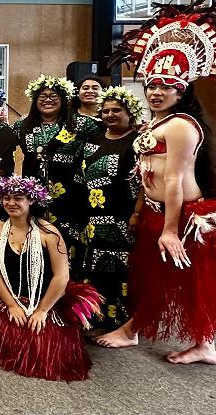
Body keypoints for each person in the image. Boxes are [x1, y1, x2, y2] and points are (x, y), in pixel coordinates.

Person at [95, 2, 216, 363]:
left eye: (167, 87)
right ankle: (141, 330)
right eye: (152, 85)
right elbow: (148, 178)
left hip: (185, 218)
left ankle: (201, 344)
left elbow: (173, 179)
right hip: (159, 212)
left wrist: (171, 230)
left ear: (182, 91)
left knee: (190, 282)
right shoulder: (156, 124)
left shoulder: (180, 126)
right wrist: (141, 212)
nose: (156, 92)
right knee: (153, 277)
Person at [0, 175, 102, 381]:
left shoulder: (49, 233)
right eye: (7, 198)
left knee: (47, 351)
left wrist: (42, 311)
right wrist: (11, 304)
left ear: (32, 200)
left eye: (18, 198)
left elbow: (61, 276)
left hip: (44, 300)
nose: (11, 203)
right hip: (9, 298)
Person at [72, 87, 143, 332]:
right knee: (92, 267)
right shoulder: (94, 140)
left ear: (130, 112)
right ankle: (94, 315)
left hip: (121, 218)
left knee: (119, 271)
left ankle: (122, 323)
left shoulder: (138, 142)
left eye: (117, 110)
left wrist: (136, 213)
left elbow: (147, 181)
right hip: (90, 216)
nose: (110, 115)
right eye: (106, 111)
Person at [14, 75, 85, 266]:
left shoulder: (78, 124)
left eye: (54, 96)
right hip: (33, 196)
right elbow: (0, 142)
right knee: (34, 239)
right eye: (42, 96)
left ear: (63, 100)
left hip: (69, 196)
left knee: (65, 241)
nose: (48, 100)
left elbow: (110, 131)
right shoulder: (22, 125)